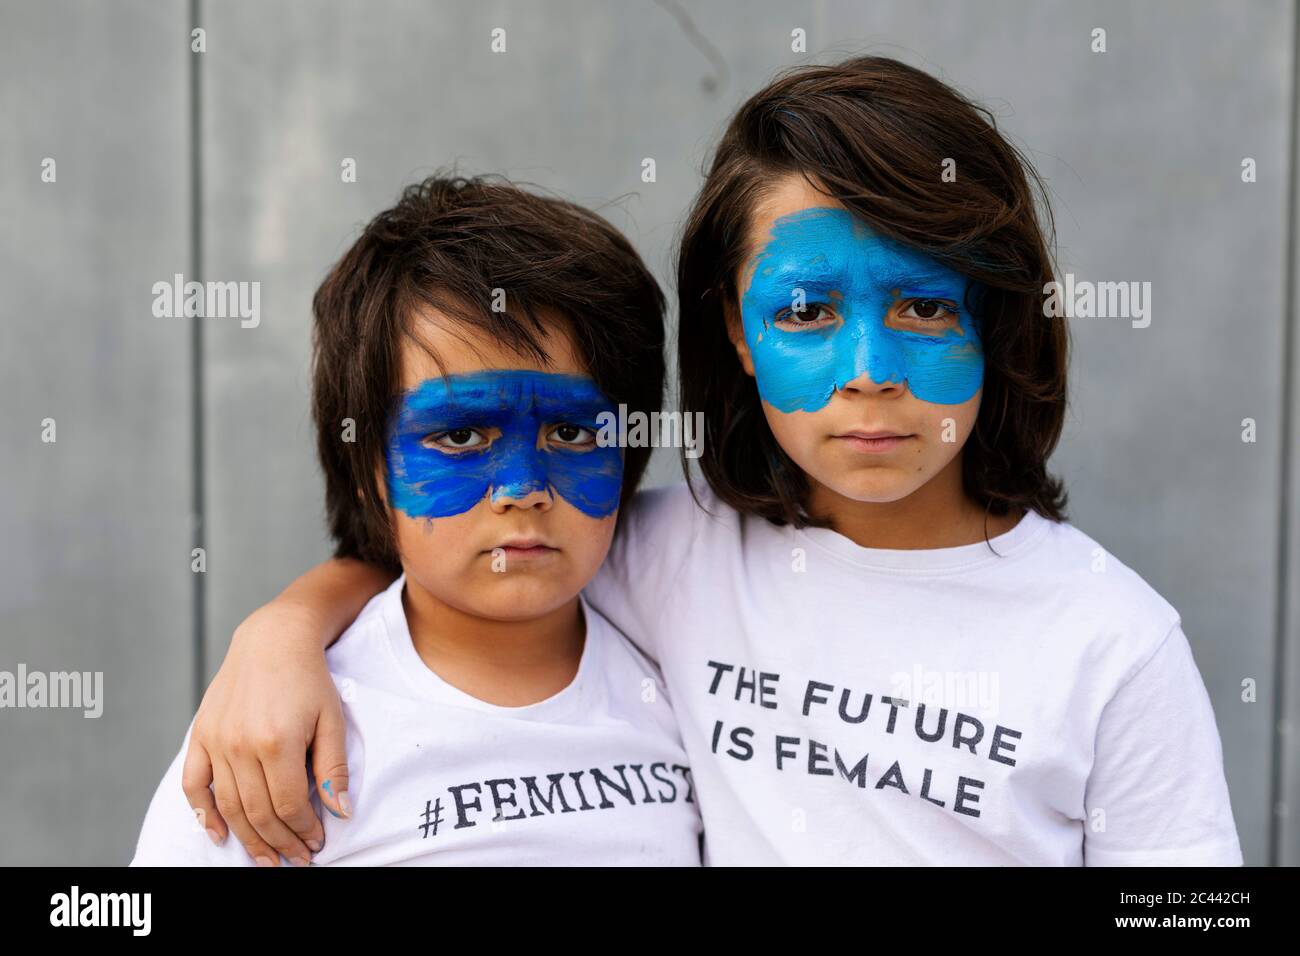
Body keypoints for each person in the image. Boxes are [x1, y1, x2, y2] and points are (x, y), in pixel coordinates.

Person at [183, 57, 1241, 866]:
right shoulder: (670, 545)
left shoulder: (1116, 645)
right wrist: (276, 634)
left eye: (923, 305)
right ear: (735, 331)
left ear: (996, 321)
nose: (868, 372)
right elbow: (471, 550)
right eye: (805, 310)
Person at [131, 175, 703, 866]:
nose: (523, 489)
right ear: (370, 468)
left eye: (573, 434)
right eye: (459, 438)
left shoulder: (685, 681)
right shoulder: (285, 730)